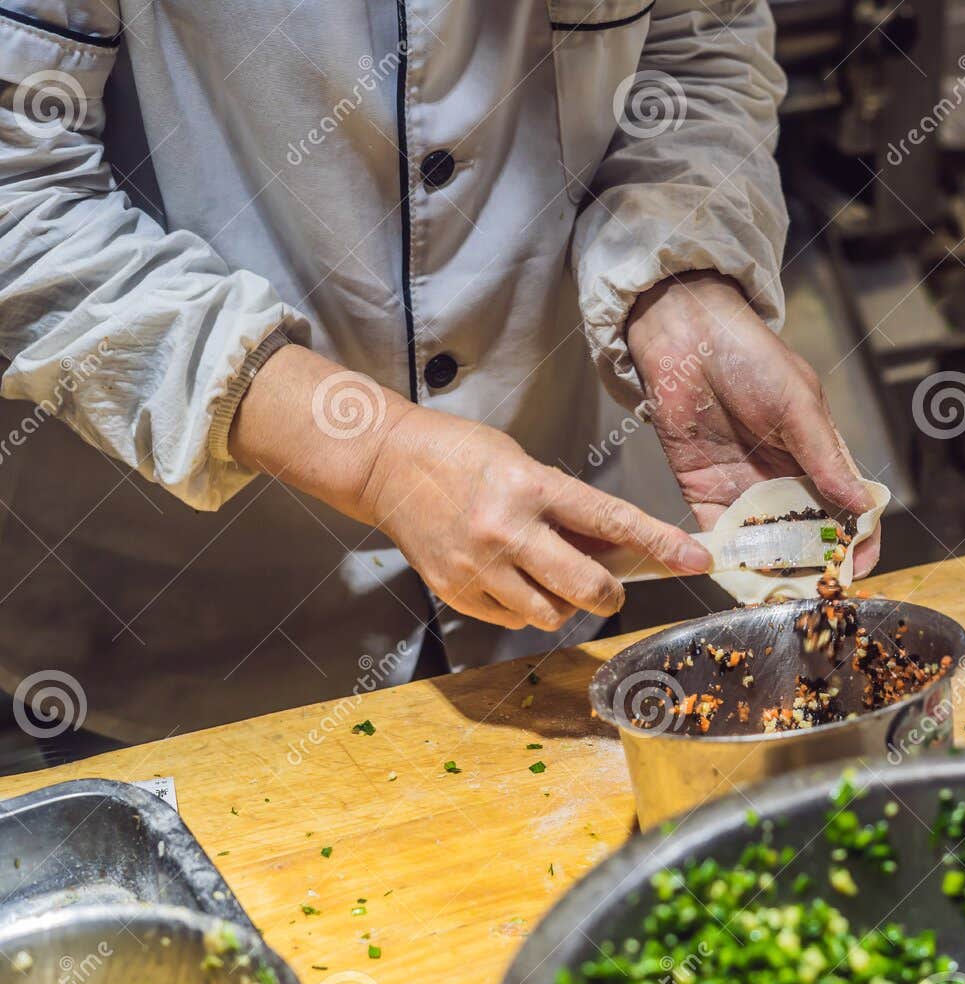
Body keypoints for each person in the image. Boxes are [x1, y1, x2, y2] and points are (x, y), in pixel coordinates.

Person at [0, 1, 876, 753]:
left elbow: (696, 49)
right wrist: (376, 457)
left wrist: (684, 280)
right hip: (187, 630)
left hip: (531, 607)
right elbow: (21, 201)